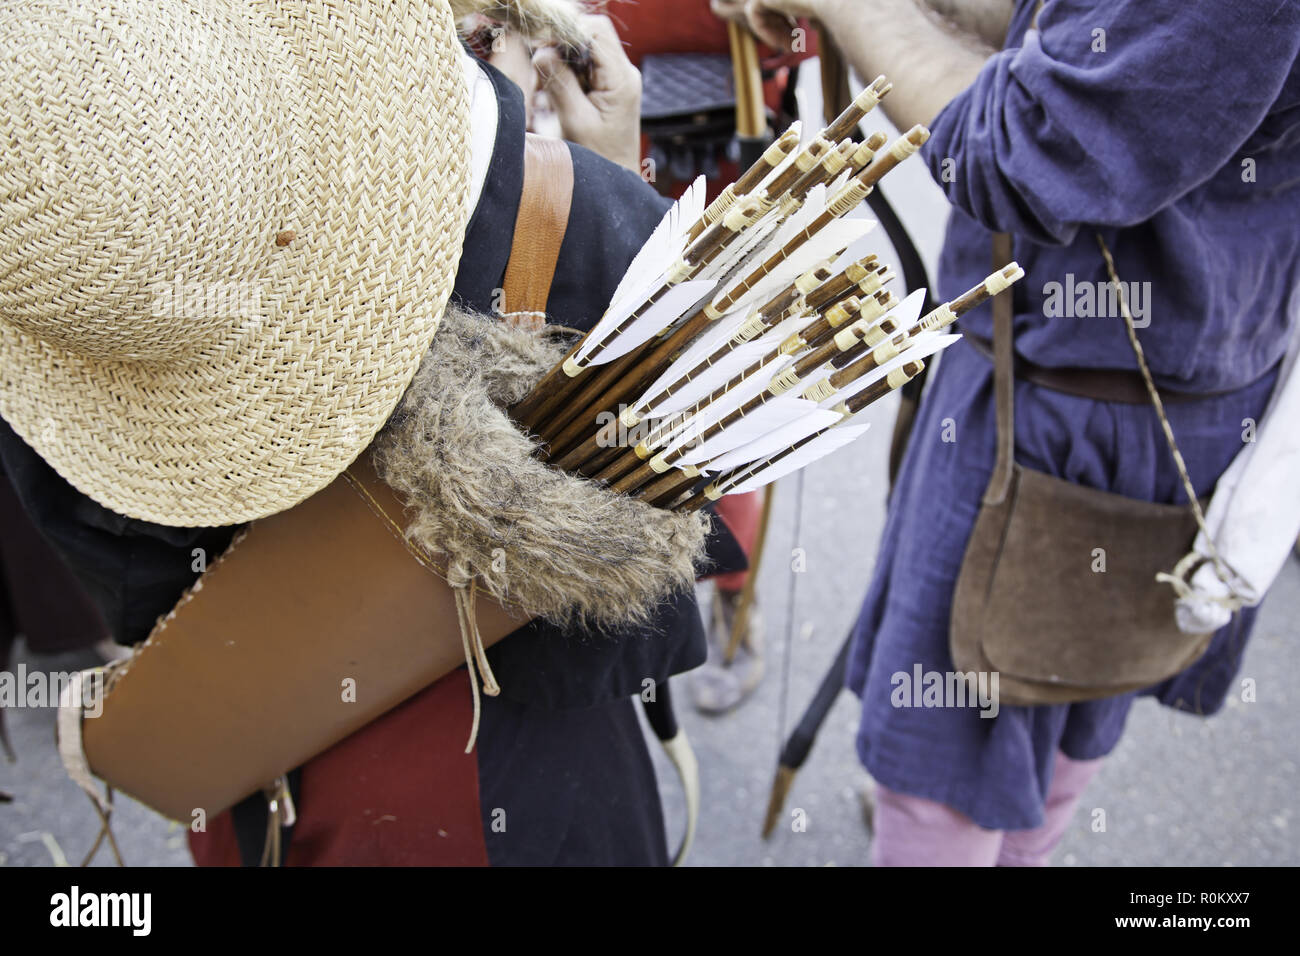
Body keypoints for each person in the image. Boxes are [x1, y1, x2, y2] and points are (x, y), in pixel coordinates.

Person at [0, 0, 741, 866]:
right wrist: (601, 173)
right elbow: (662, 521)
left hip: (250, 754)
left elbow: (129, 584)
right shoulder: (578, 210)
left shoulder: (54, 258)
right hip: (519, 783)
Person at [741, 0, 1300, 864]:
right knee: (1058, 711)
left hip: (1073, 415)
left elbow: (1023, 143)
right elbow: (1082, 25)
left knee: (950, 770)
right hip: (1138, 397)